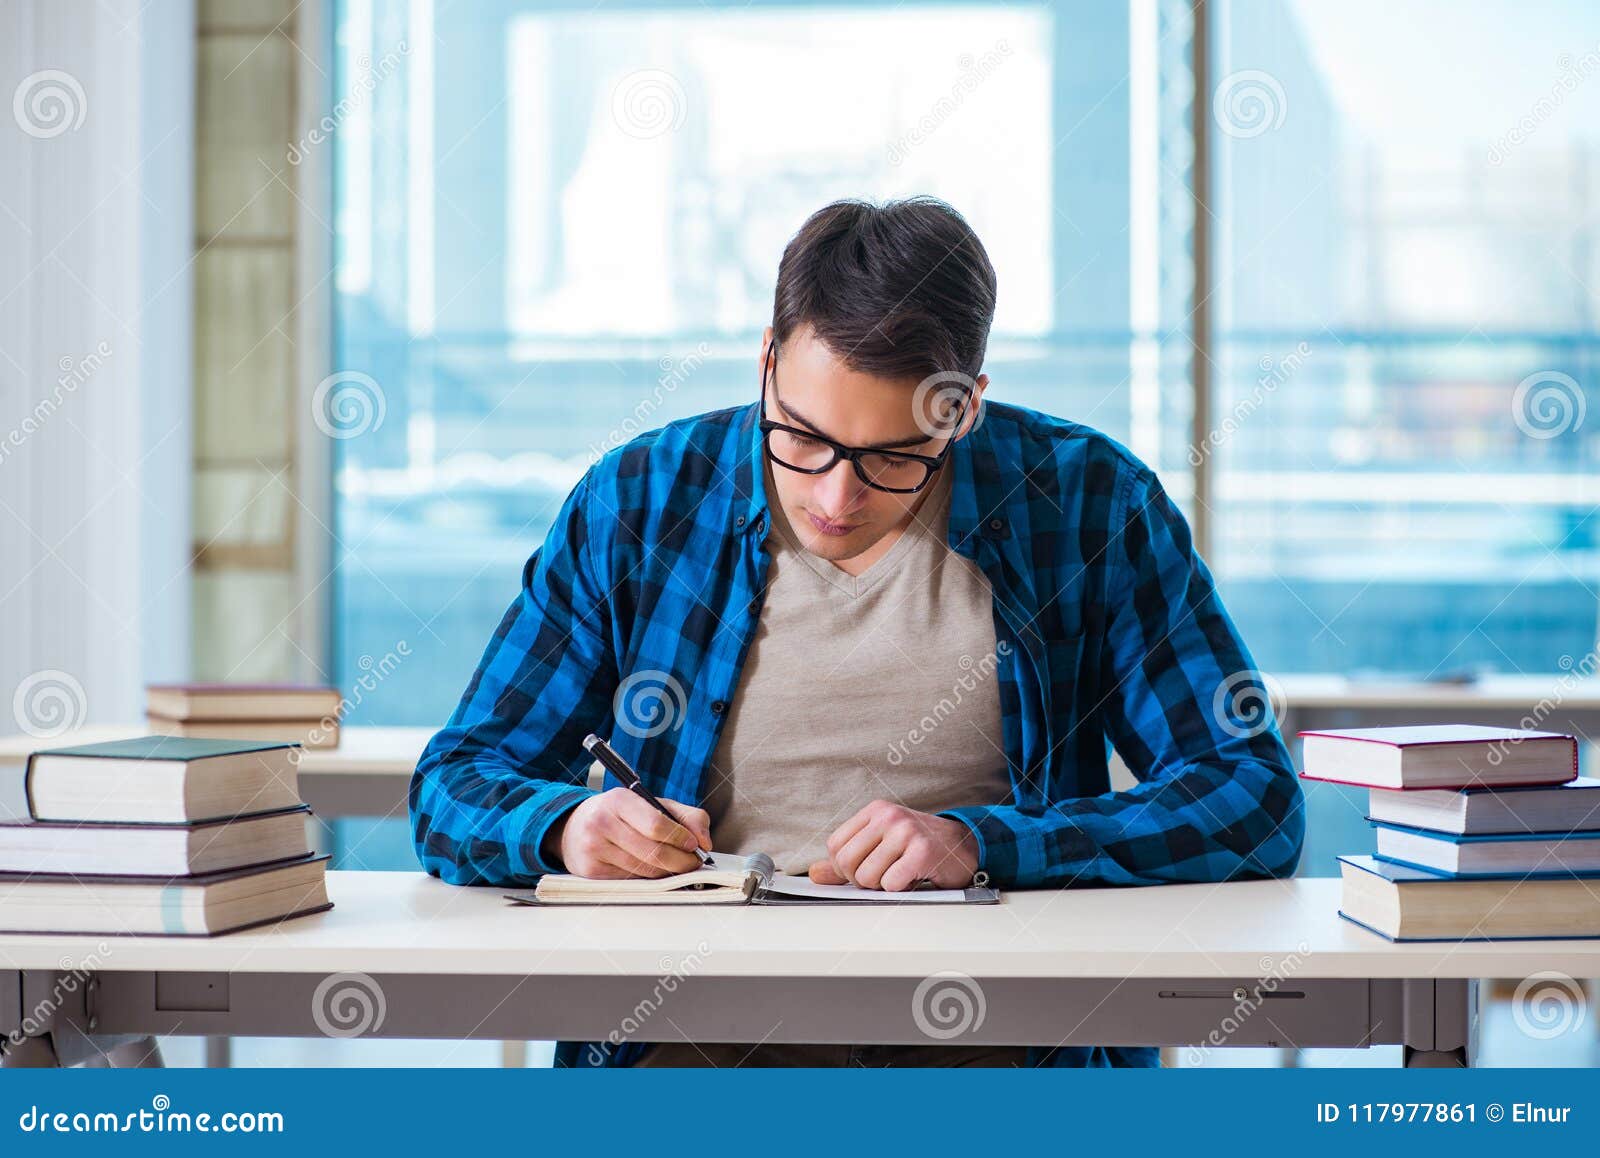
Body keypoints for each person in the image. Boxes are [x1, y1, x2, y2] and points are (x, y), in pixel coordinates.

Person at [410, 196, 1305, 1068]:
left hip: (1000, 1045)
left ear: (964, 406)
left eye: (892, 456)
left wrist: (987, 845)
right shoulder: (640, 502)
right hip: (688, 1037)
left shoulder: (1089, 505)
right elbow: (454, 781)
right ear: (766, 361)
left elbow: (1254, 799)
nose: (837, 499)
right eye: (801, 437)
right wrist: (567, 826)